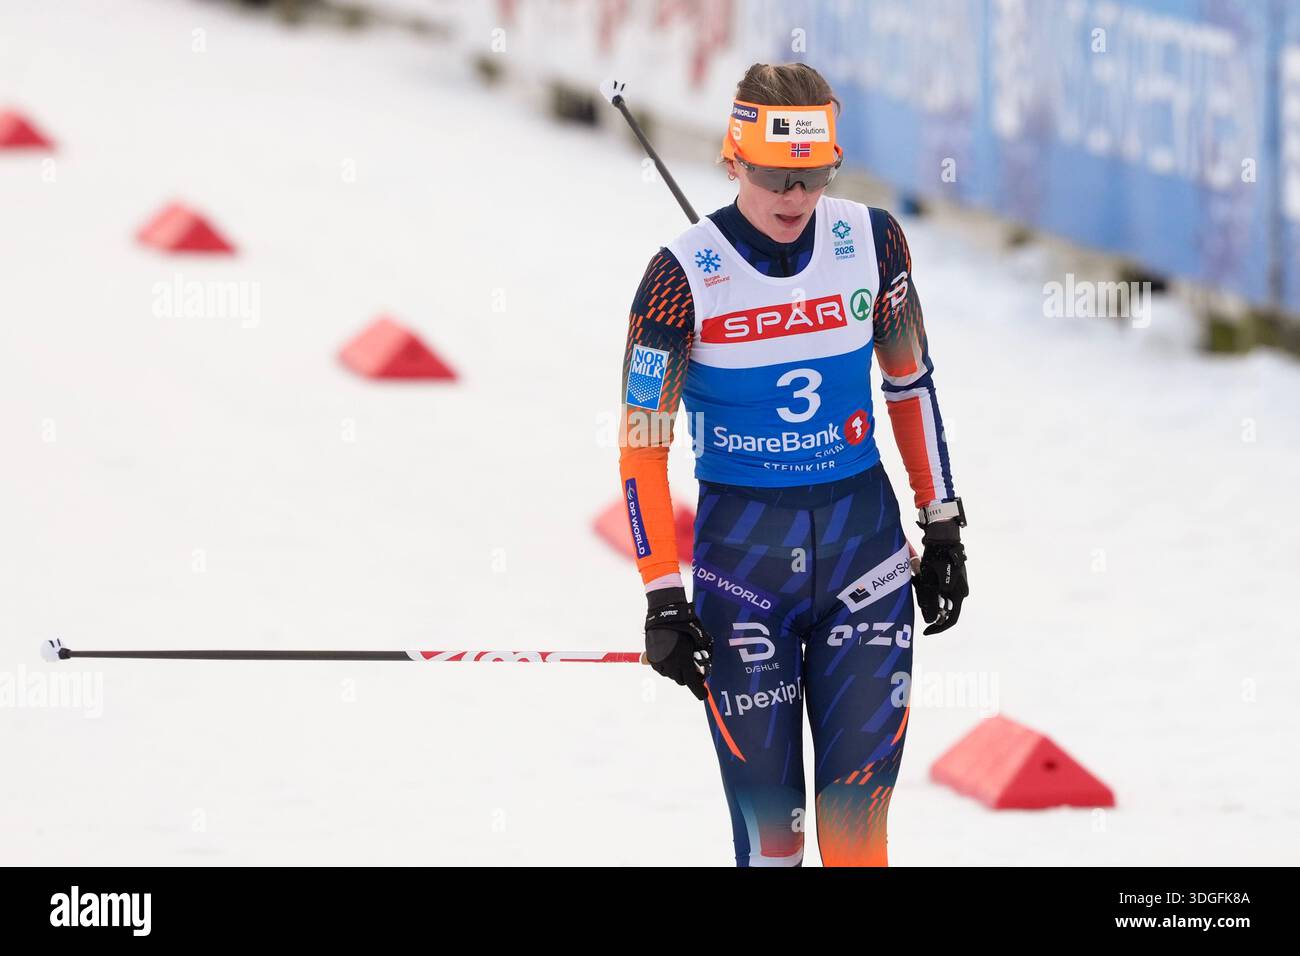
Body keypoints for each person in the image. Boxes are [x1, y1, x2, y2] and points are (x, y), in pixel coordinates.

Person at [617, 62, 969, 867]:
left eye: (813, 176)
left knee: (855, 839)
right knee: (774, 846)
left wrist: (942, 525)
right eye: (776, 176)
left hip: (867, 564)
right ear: (733, 159)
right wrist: (663, 596)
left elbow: (909, 382)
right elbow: (641, 443)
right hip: (745, 576)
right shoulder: (678, 278)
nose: (795, 198)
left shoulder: (874, 240)